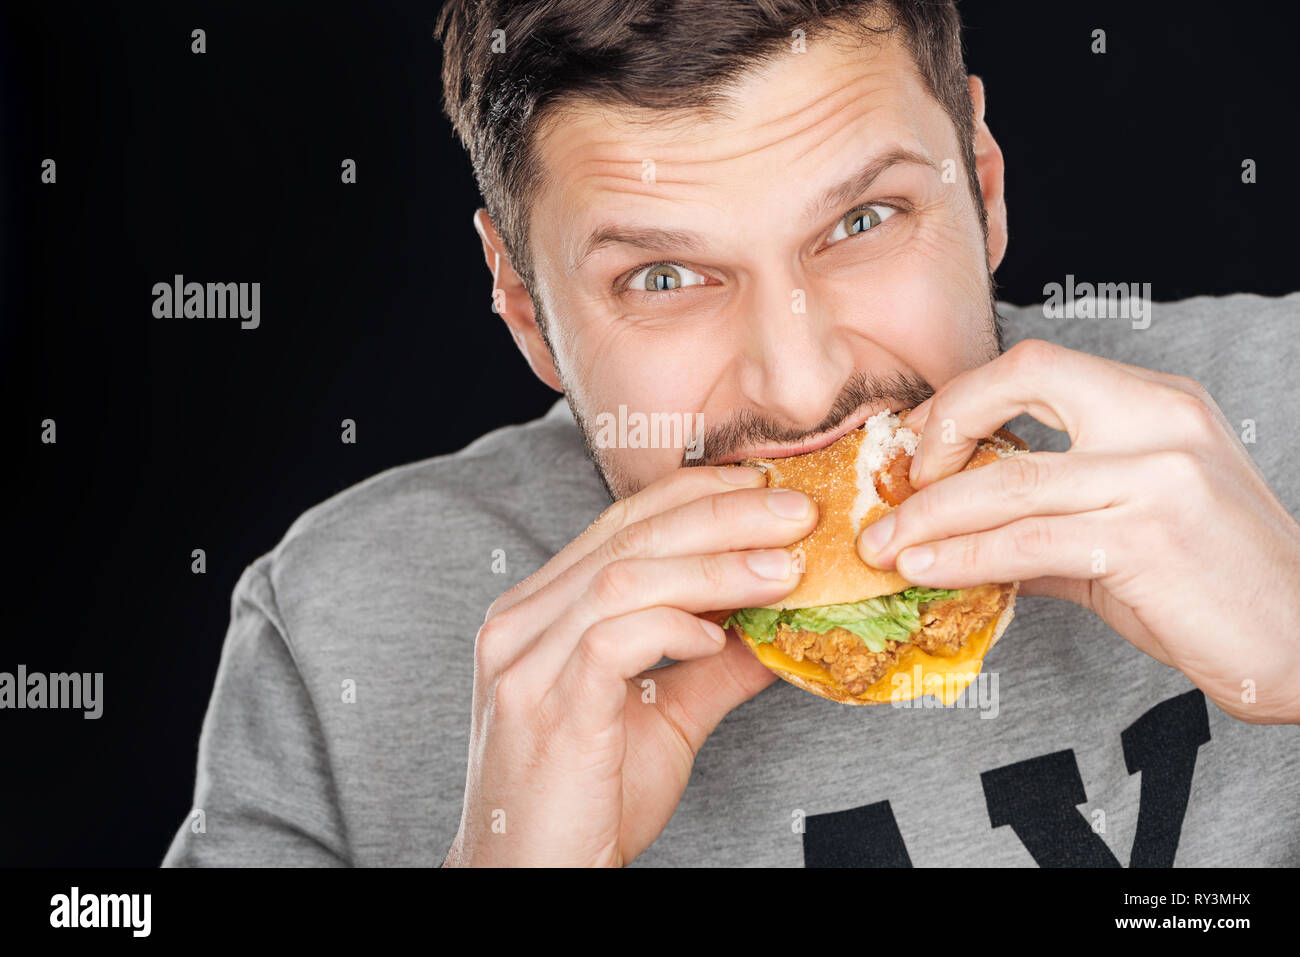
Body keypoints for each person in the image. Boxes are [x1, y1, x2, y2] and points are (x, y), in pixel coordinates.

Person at [164, 0, 1300, 867]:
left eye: (862, 220)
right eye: (663, 276)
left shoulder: (1280, 395)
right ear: (528, 314)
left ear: (984, 190)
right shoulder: (339, 625)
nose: (806, 391)